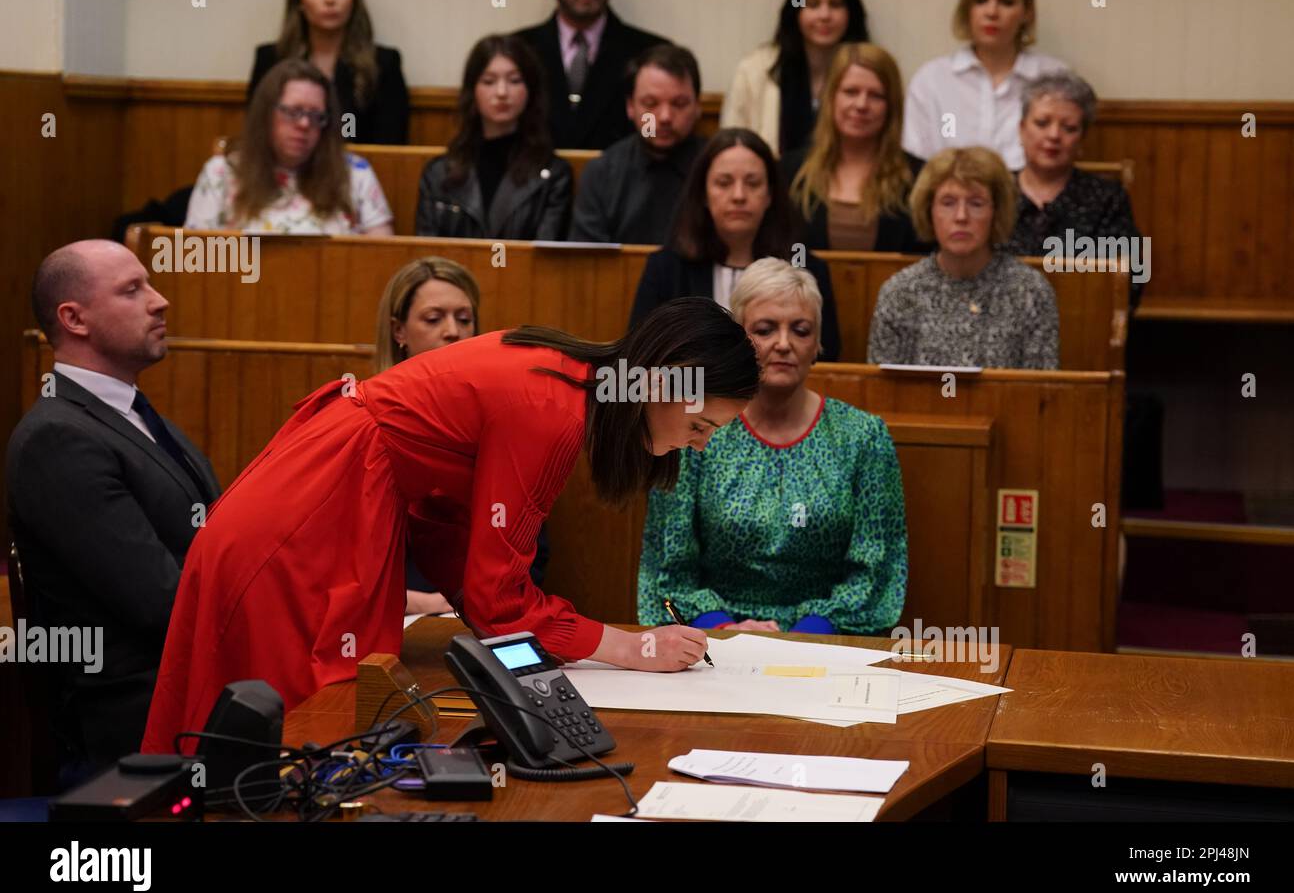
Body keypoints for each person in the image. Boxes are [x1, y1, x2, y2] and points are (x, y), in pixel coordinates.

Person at [142, 298, 760, 753]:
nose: (700, 446)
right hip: (311, 518)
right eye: (703, 426)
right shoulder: (553, 411)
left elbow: (447, 530)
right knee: (292, 736)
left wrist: (475, 598)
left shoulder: (565, 375)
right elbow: (501, 601)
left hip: (315, 492)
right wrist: (627, 645)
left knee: (273, 739)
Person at [6, 241, 219, 784]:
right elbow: (159, 603)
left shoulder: (133, 416)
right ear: (74, 318)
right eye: (132, 290)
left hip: (194, 688)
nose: (160, 301)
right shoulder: (58, 437)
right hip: (136, 720)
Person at [639, 259, 907, 635]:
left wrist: (807, 633)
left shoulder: (863, 437)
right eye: (765, 330)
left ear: (817, 344)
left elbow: (876, 571)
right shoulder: (694, 429)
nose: (784, 344)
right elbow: (669, 565)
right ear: (737, 340)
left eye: (801, 330)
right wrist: (724, 629)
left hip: (827, 644)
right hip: (714, 642)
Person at [372, 256, 553, 608]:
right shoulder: (365, 417)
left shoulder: (507, 423)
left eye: (464, 319)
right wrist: (420, 603)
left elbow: (530, 554)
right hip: (386, 613)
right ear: (398, 331)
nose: (453, 330)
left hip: (481, 612)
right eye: (434, 318)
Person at [629, 127, 842, 361]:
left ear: (770, 194)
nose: (739, 195)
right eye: (724, 183)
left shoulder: (805, 268)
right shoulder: (666, 269)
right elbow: (641, 357)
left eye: (752, 183)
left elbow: (824, 361)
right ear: (703, 194)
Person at [868, 146, 1059, 368]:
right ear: (929, 210)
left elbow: (1041, 391)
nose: (961, 216)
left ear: (996, 212)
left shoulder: (1030, 291)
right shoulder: (900, 292)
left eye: (976, 204)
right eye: (948, 203)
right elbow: (882, 393)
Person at [186, 59, 394, 235]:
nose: (304, 124)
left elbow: (379, 258)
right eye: (292, 111)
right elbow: (196, 262)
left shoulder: (355, 174)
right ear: (266, 114)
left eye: (315, 115)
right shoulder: (220, 172)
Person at [902, 0, 1067, 171]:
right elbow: (917, 162)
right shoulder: (932, 80)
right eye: (981, 0)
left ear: (1027, 12)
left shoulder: (1055, 78)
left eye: (1006, 2)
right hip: (949, 197)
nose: (991, 12)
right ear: (967, 9)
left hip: (1029, 199)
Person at [1006, 71, 1144, 311]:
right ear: (1021, 129)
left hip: (1078, 324)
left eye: (1069, 128)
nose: (1053, 136)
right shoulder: (994, 191)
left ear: (1081, 140)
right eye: (1042, 123)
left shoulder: (1107, 198)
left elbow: (1129, 281)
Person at [415, 35, 572, 240]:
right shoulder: (438, 173)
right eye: (489, 81)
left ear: (530, 90)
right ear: (473, 91)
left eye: (514, 81)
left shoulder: (554, 175)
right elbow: (428, 255)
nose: (501, 92)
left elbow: (544, 261)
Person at [248, 0, 409, 145]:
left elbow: (391, 143)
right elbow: (258, 133)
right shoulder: (272, 60)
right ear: (299, 1)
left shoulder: (383, 63)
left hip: (360, 169)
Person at [782, 42, 927, 252]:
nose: (861, 105)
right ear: (831, 98)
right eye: (851, 92)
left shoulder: (919, 178)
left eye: (876, 95)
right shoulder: (790, 172)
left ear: (891, 106)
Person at [514, 0, 669, 150]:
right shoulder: (518, 50)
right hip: (531, 176)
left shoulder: (651, 53)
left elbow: (656, 139)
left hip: (623, 177)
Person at [721, 0, 869, 155]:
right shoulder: (754, 71)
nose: (824, 15)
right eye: (812, 4)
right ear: (796, 10)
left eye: (835, 4)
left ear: (851, 12)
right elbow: (729, 147)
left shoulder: (867, 71)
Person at [569, 44, 705, 244]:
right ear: (630, 106)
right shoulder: (603, 173)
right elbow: (590, 263)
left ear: (697, 106)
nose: (665, 117)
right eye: (651, 104)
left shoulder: (716, 168)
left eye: (679, 104)